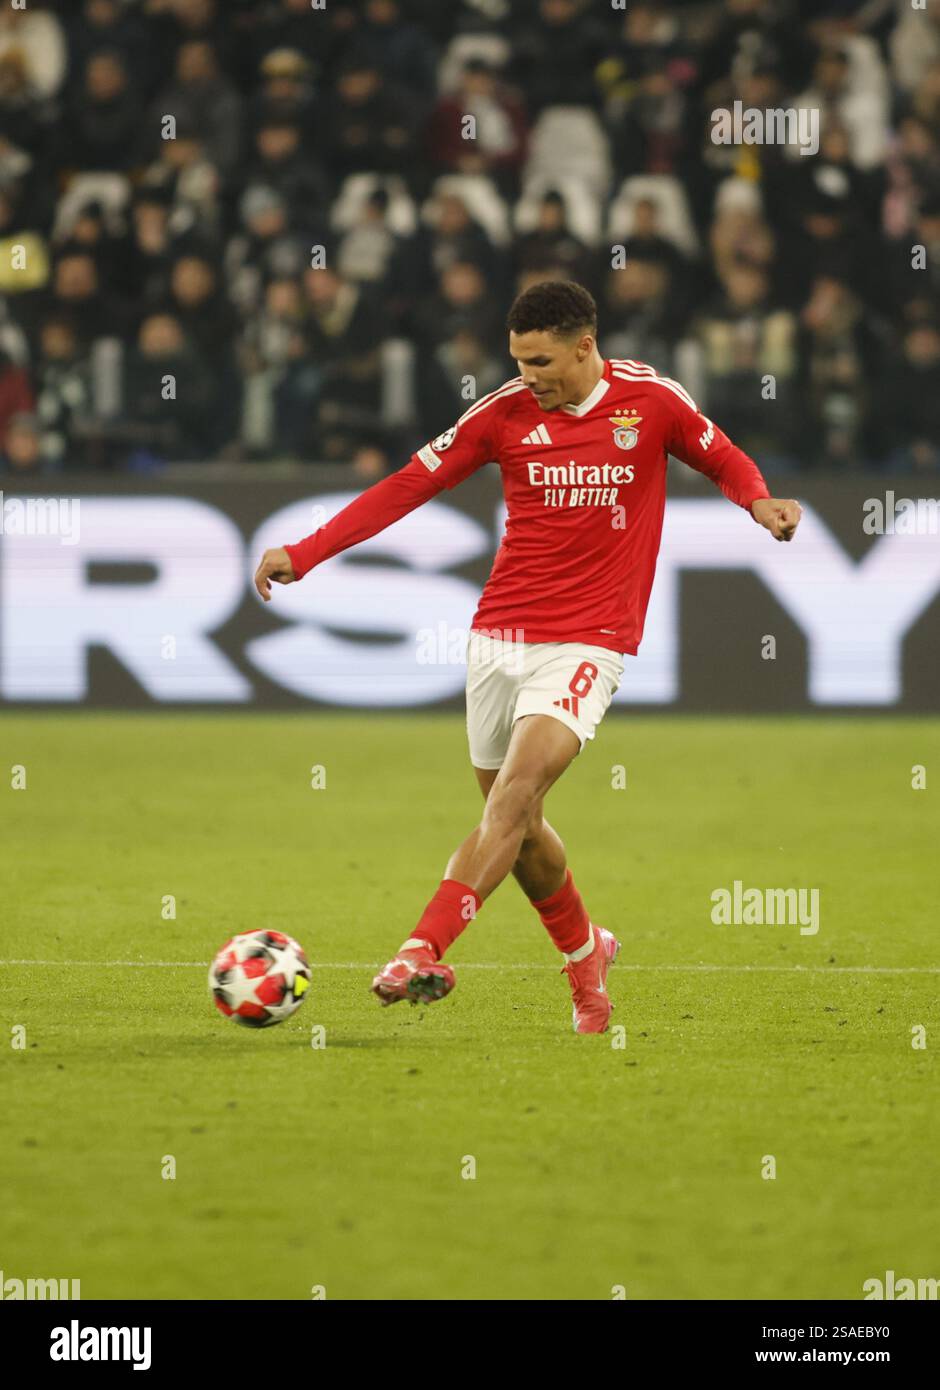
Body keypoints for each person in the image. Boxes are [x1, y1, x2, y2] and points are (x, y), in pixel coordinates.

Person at [253, 280, 801, 1033]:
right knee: (516, 829)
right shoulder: (503, 413)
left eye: (540, 361)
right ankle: (587, 958)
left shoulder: (651, 401)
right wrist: (308, 552)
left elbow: (723, 457)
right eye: (518, 360)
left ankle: (422, 951)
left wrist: (759, 500)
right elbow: (410, 486)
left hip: (590, 640)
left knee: (510, 800)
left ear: (584, 347)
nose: (527, 375)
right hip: (500, 638)